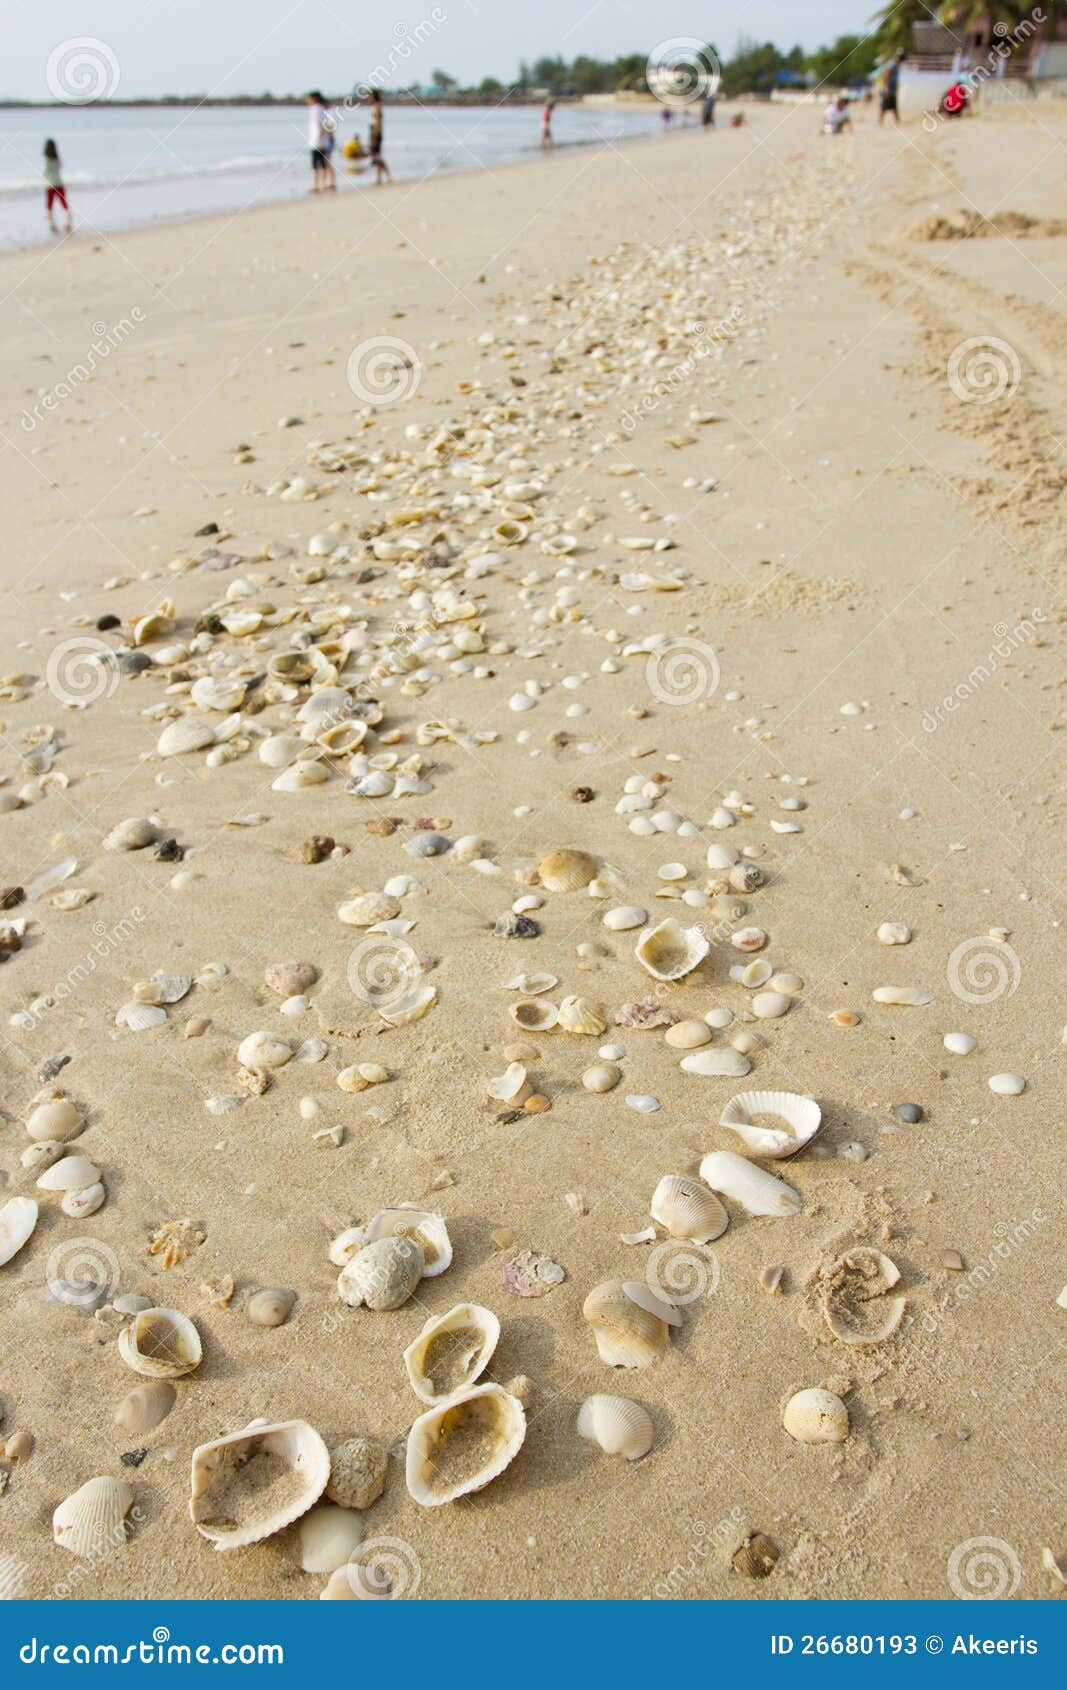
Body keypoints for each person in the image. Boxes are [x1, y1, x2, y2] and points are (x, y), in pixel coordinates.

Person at [43, 138, 72, 236]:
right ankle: (68, 221)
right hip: (59, 183)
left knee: (50, 205)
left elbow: (46, 172)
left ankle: (52, 224)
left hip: (50, 185)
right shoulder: (57, 158)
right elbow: (60, 167)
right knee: (64, 203)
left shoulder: (47, 159)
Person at [307, 91, 331, 192]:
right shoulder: (323, 108)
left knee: (316, 165)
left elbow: (318, 124)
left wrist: (319, 136)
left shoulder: (315, 109)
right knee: (322, 164)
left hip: (317, 141)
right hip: (322, 140)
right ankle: (323, 184)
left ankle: (317, 185)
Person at [367, 89, 392, 184]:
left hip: (376, 133)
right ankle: (379, 177)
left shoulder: (377, 106)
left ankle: (387, 175)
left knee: (377, 156)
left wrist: (374, 135)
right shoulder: (375, 106)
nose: (369, 98)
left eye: (370, 96)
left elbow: (378, 122)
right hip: (375, 133)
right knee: (376, 157)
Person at [878, 51, 905, 125]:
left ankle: (897, 120)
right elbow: (886, 76)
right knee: (884, 106)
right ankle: (880, 121)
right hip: (888, 89)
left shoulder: (897, 66)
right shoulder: (891, 64)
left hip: (892, 90)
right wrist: (887, 89)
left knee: (894, 105)